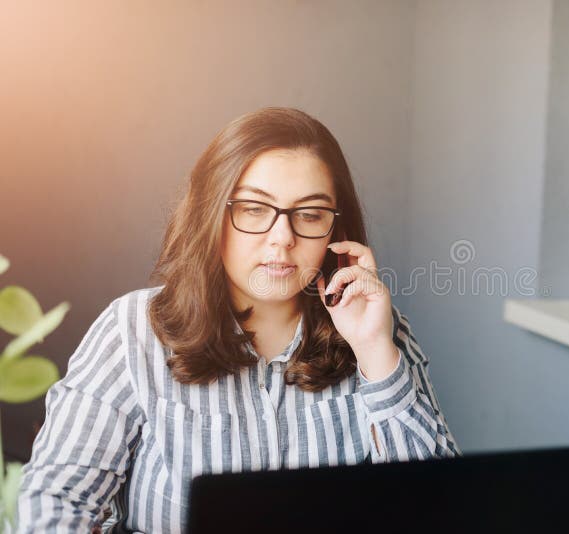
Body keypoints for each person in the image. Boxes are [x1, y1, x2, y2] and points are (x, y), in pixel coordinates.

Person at [16, 107, 461, 533]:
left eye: (309, 214)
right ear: (213, 213)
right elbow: (57, 504)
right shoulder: (134, 330)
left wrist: (375, 352)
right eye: (254, 209)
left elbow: (443, 511)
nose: (282, 239)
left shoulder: (379, 331)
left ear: (335, 230)